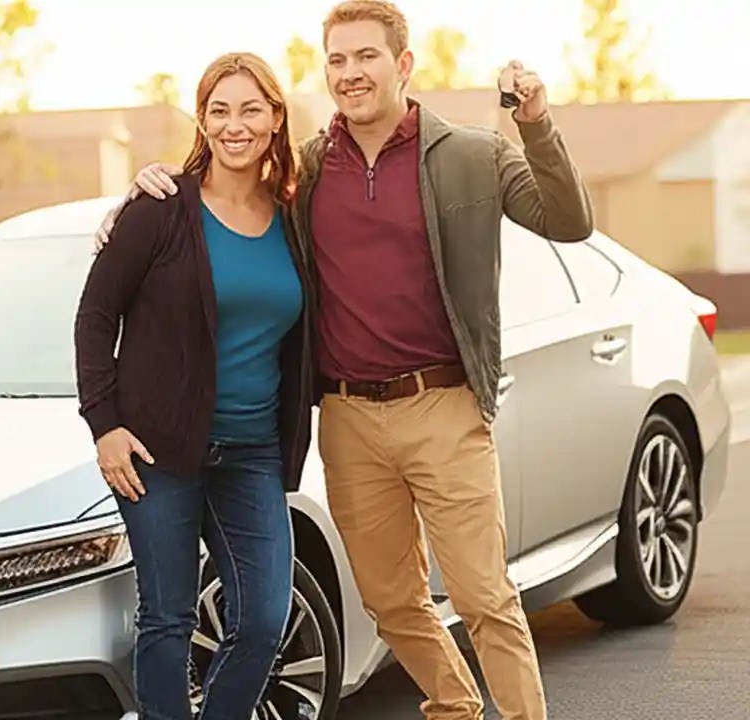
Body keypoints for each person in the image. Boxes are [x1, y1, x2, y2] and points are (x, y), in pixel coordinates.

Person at [94, 2, 596, 719]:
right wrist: (142, 195)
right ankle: (455, 708)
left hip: (443, 406)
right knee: (391, 600)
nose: (351, 73)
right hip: (349, 419)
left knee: (484, 596)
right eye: (337, 60)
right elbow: (222, 201)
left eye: (366, 57)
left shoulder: (470, 154)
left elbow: (568, 220)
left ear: (404, 64)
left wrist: (536, 120)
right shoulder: (305, 172)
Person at [74, 51, 317, 720]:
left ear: (274, 119)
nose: (234, 125)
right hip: (158, 450)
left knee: (265, 618)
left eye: (249, 109)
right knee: (168, 619)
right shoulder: (162, 207)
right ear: (202, 121)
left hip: (252, 453)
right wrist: (105, 426)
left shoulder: (294, 216)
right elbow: (96, 317)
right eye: (219, 110)